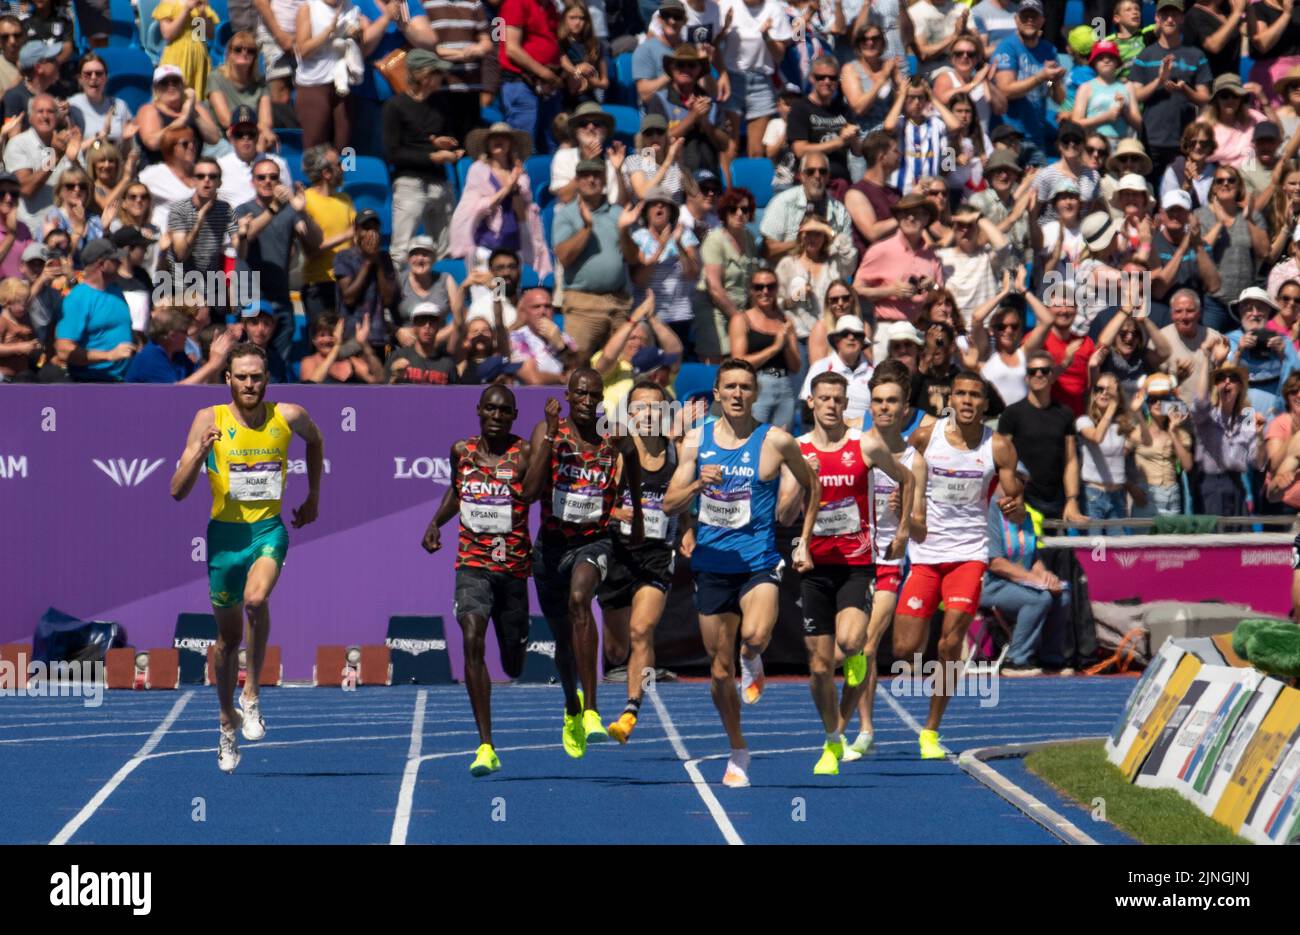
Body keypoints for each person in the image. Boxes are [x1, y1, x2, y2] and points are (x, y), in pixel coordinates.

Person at [663, 357, 819, 787]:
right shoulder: (695, 441)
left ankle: (753, 658)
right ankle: (737, 750)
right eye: (728, 387)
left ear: (755, 394)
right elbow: (668, 503)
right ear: (716, 393)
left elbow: (813, 483)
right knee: (717, 671)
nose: (736, 394)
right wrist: (696, 489)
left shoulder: (777, 441)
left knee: (753, 637)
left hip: (758, 561)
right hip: (712, 566)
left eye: (744, 388)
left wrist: (803, 538)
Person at [169, 342, 324, 773]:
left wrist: (313, 496)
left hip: (268, 531)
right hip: (224, 539)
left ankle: (251, 694)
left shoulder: (287, 416)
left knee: (257, 600)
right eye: (242, 376)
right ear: (228, 380)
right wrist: (200, 451)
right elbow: (177, 490)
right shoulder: (209, 419)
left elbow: (317, 440)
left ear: (267, 379)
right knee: (227, 642)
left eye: (257, 376)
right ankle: (225, 723)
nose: (250, 383)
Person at [780, 370, 911, 775]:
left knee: (855, 641)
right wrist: (806, 478)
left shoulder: (865, 445)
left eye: (839, 399)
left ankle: (848, 693)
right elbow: (783, 514)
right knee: (819, 668)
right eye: (825, 399)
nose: (832, 406)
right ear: (812, 404)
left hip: (857, 564)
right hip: (816, 567)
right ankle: (833, 737)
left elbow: (906, 477)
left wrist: (902, 530)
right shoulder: (797, 449)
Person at [892, 371, 1023, 758]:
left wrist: (1014, 505)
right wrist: (903, 506)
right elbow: (898, 474)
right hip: (927, 555)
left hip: (969, 556)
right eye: (960, 394)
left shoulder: (998, 447)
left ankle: (931, 730)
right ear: (951, 399)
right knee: (904, 649)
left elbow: (1014, 503)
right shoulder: (925, 437)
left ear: (985, 403)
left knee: (950, 644)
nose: (967, 401)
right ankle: (931, 661)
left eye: (974, 395)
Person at [522, 369, 643, 757]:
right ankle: (571, 707)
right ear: (569, 396)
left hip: (595, 540)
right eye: (581, 395)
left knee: (581, 600)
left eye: (595, 395)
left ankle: (592, 709)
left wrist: (636, 512)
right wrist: (552, 436)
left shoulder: (615, 435)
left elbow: (634, 463)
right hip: (552, 547)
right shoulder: (547, 432)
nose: (589, 402)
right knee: (563, 641)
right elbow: (527, 492)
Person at [421, 385, 534, 776]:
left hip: (514, 567)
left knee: (513, 663)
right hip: (472, 563)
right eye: (490, 409)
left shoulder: (525, 454)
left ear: (514, 416)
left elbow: (541, 493)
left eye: (504, 411)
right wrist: (436, 522)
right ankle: (485, 744)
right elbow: (457, 490)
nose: (496, 416)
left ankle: (518, 640)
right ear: (478, 411)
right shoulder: (461, 451)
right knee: (471, 635)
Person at [836, 360, 928, 756]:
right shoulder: (853, 444)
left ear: (906, 408)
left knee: (868, 645)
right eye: (878, 401)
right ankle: (867, 727)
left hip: (889, 560)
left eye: (892, 401)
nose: (885, 408)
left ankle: (839, 730)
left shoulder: (914, 462)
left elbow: (922, 530)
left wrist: (903, 513)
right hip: (850, 559)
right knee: (849, 647)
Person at [598, 379, 687, 743]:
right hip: (618, 553)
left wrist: (688, 530)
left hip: (657, 554)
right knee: (616, 648)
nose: (647, 414)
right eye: (640, 407)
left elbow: (684, 502)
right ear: (629, 414)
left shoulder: (678, 453)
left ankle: (631, 709)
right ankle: (624, 676)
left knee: (641, 629)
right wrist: (619, 513)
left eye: (655, 407)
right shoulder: (617, 452)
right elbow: (596, 502)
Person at [979, 489, 1073, 676]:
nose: (1018, 486)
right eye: (1015, 480)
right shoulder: (990, 512)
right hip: (991, 585)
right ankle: (1015, 659)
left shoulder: (1026, 516)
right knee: (1038, 599)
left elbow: (1033, 558)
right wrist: (1034, 579)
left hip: (1022, 584)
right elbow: (995, 563)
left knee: (1060, 595)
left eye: (1023, 482)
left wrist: (1046, 577)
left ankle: (1050, 658)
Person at [383, 49, 463, 266]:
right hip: (410, 184)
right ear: (424, 76)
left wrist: (446, 144)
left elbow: (439, 136)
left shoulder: (441, 104)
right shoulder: (395, 106)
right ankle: (399, 298)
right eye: (438, 73)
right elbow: (393, 153)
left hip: (440, 183)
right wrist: (432, 156)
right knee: (401, 251)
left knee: (446, 250)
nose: (442, 77)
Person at [998, 348, 1087, 526]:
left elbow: (1070, 460)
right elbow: (1000, 460)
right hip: (1023, 500)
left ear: (1053, 376)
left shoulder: (1065, 413)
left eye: (1045, 370)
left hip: (1057, 499)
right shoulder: (1012, 413)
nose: (1039, 374)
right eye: (1032, 371)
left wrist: (1072, 499)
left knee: (1059, 551)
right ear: (1026, 377)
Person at [452, 122, 551, 276]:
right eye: (494, 138)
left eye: (504, 138)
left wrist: (516, 186)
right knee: (486, 296)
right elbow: (477, 207)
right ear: (487, 143)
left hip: (514, 248)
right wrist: (507, 187)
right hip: (485, 247)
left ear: (511, 144)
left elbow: (523, 210)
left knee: (507, 296)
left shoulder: (520, 173)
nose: (498, 140)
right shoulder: (478, 170)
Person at [1129, 0, 1212, 181]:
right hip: (1150, 139)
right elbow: (1135, 96)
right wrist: (1159, 80)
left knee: (1180, 194)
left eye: (1174, 15)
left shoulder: (1195, 55)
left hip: (1183, 141)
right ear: (1157, 18)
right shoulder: (1145, 55)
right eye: (1164, 15)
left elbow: (1205, 98)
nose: (1169, 19)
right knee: (1148, 194)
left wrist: (1185, 90)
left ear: (1182, 18)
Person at [294, 0, 392, 149]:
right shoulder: (309, 7)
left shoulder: (351, 8)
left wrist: (357, 36)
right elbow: (303, 51)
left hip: (343, 85)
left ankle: (348, 172)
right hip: (314, 84)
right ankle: (316, 173)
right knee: (315, 146)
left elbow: (361, 50)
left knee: (346, 147)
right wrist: (329, 32)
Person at [991, 0, 1064, 168]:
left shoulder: (1049, 50)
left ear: (1042, 21)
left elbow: (1058, 99)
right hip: (1008, 137)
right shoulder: (1007, 47)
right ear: (1016, 20)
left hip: (1036, 136)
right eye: (1025, 16)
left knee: (1040, 191)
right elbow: (1005, 90)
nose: (1029, 20)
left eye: (1034, 16)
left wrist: (1055, 80)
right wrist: (1040, 77)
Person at [50, 237, 134, 382]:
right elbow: (63, 350)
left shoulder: (116, 291)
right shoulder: (77, 299)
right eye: (114, 260)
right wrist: (108, 355)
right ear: (101, 264)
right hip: (91, 384)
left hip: (122, 382)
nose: (120, 263)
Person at [1192, 352, 1267, 515]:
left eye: (1233, 378)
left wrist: (1260, 436)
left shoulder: (1247, 415)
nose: (1227, 382)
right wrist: (1206, 357)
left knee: (1240, 540)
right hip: (1210, 485)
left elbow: (1258, 463)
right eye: (1220, 378)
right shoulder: (1207, 415)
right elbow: (1199, 401)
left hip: (1237, 485)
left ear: (1240, 386)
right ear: (1215, 386)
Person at [727, 267, 801, 430]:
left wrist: (786, 343)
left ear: (777, 288)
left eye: (770, 286)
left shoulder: (785, 320)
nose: (765, 291)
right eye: (759, 287)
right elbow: (738, 362)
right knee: (754, 439)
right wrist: (775, 348)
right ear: (751, 290)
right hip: (757, 386)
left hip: (784, 385)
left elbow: (796, 366)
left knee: (781, 444)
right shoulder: (741, 320)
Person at [717, 0, 792, 158]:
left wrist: (766, 36)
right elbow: (714, 43)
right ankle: (729, 183)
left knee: (757, 150)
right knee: (731, 146)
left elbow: (779, 56)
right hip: (732, 78)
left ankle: (752, 182)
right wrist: (724, 28)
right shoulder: (727, 5)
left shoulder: (774, 8)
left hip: (761, 80)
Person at [853, 191, 942, 323]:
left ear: (926, 219)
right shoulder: (880, 250)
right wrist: (891, 291)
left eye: (916, 214)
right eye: (905, 213)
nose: (911, 218)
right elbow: (855, 290)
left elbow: (941, 295)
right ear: (898, 217)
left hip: (920, 331)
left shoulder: (932, 256)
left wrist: (933, 287)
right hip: (887, 327)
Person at [785, 54, 862, 199]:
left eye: (832, 78)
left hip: (840, 181)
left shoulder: (844, 109)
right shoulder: (800, 108)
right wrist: (838, 142)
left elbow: (857, 151)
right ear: (812, 78)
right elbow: (800, 150)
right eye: (821, 77)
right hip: (811, 180)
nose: (827, 82)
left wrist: (852, 138)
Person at [760, 152, 854, 264]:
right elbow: (769, 250)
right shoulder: (782, 202)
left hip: (824, 273)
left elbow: (848, 255)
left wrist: (828, 232)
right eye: (810, 172)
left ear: (828, 176)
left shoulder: (840, 211)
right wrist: (802, 241)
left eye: (822, 172)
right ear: (802, 176)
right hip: (788, 273)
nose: (817, 176)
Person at [4, 94, 78, 234]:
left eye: (50, 111)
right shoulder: (19, 144)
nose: (45, 116)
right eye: (40, 111)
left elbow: (84, 186)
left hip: (67, 231)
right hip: (31, 231)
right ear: (30, 117)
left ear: (57, 117)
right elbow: (26, 188)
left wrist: (75, 159)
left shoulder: (67, 142)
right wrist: (54, 157)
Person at [126, 307, 236, 384]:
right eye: (184, 332)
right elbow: (176, 392)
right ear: (172, 336)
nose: (187, 336)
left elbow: (204, 383)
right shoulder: (150, 357)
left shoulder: (178, 356)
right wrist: (212, 364)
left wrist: (216, 368)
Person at [207, 30, 276, 148]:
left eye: (250, 50)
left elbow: (266, 122)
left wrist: (263, 131)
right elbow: (226, 120)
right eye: (238, 49)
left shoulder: (261, 83)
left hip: (252, 136)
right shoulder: (215, 77)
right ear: (229, 53)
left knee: (264, 140)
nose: (244, 53)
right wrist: (260, 129)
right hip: (224, 139)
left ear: (255, 57)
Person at [799, 312, 873, 420]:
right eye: (845, 333)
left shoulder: (876, 370)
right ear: (837, 341)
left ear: (862, 342)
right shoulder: (820, 367)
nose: (851, 337)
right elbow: (807, 408)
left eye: (857, 335)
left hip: (867, 432)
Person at [217, 106, 292, 210]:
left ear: (258, 135)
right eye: (239, 134)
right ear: (230, 136)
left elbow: (289, 198)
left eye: (251, 133)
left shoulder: (278, 163)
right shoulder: (220, 166)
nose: (246, 138)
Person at [154, 0, 220, 98]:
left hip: (199, 56)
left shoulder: (202, 2)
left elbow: (210, 34)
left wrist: (202, 15)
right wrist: (186, 10)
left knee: (199, 99)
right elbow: (168, 34)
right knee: (176, 96)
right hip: (177, 56)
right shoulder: (168, 2)